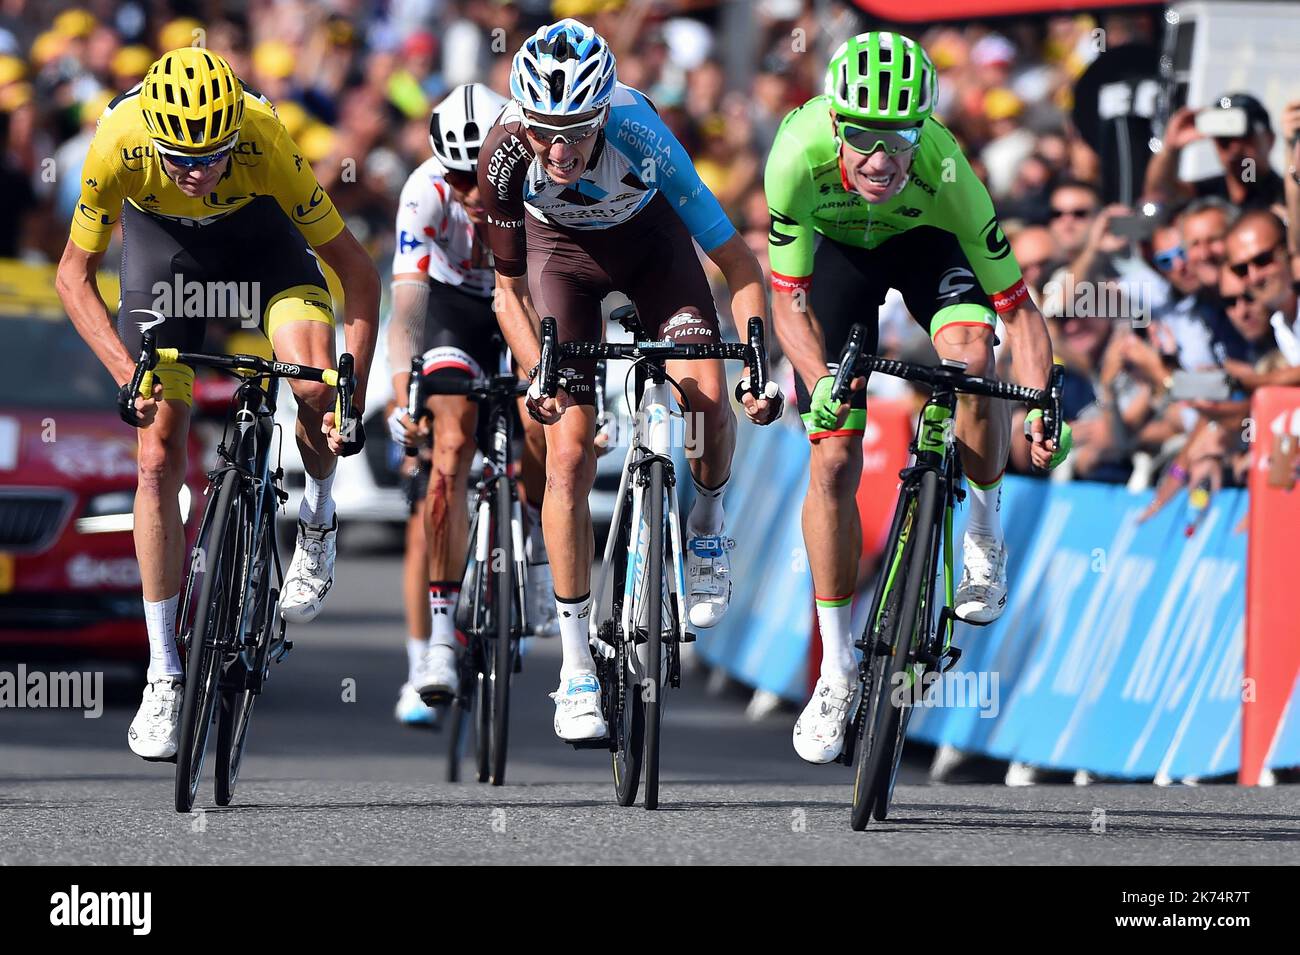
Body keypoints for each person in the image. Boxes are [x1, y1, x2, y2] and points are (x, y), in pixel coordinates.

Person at [55, 48, 380, 760]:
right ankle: (164, 674)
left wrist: (348, 384)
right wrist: (123, 373)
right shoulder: (119, 141)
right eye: (181, 158)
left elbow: (356, 271)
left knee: (312, 384)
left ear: (237, 134)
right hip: (163, 255)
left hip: (261, 245)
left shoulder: (266, 137)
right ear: (155, 139)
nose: (197, 172)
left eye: (213, 155)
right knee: (155, 455)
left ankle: (317, 520)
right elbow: (72, 277)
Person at [763, 31, 1069, 764]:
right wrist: (821, 384)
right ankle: (836, 669)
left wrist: (1038, 401)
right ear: (836, 122)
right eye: (862, 135)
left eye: (898, 136)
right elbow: (789, 305)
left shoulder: (947, 169)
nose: (878, 158)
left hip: (930, 246)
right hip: (837, 259)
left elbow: (1019, 310)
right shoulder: (794, 158)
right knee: (832, 459)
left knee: (969, 355)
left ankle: (984, 532)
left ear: (922, 129)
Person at [478, 18, 782, 742]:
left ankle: (706, 528)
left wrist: (758, 362)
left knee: (706, 402)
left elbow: (739, 265)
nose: (558, 150)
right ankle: (577, 667)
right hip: (562, 266)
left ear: (603, 114)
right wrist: (536, 373)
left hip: (654, 255)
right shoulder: (503, 153)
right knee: (569, 452)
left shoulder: (641, 133)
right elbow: (508, 290)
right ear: (522, 117)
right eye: (544, 130)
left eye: (577, 131)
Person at [385, 83, 553, 725]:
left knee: (545, 420)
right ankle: (431, 648)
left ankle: (536, 533)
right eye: (458, 178)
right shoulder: (424, 193)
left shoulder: (535, 178)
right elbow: (408, 309)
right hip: (454, 311)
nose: (472, 194)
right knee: (449, 448)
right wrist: (408, 396)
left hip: (526, 300)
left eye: (478, 175)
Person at [1145, 93, 1286, 211]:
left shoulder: (1286, 196)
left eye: (1245, 137)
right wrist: (1170, 148)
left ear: (1270, 139)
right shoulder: (1208, 194)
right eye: (1224, 139)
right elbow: (1159, 194)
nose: (1235, 149)